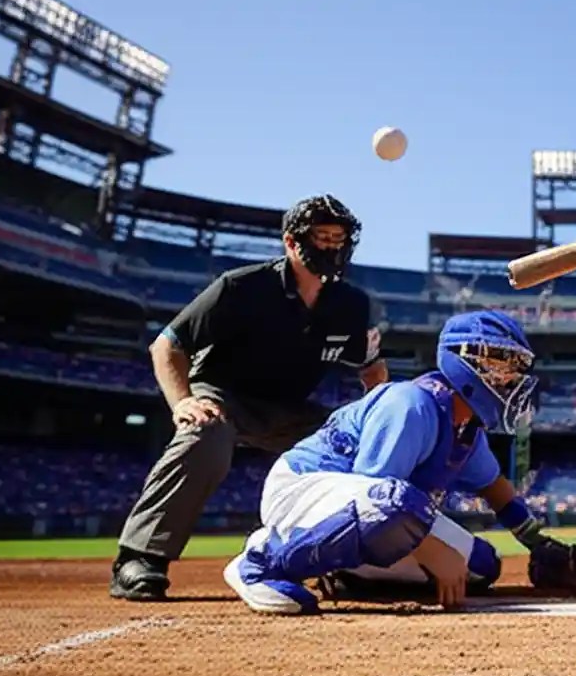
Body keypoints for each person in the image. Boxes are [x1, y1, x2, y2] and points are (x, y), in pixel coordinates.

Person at [223, 310, 576, 615]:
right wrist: (432, 551)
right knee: (400, 509)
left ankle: (349, 575)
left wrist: (538, 544)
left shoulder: (466, 428)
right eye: (501, 366)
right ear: (466, 363)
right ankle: (261, 560)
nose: (510, 379)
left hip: (375, 507)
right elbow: (375, 496)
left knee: (482, 566)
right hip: (305, 488)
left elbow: (496, 489)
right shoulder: (411, 405)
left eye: (514, 369)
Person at [110, 194, 389, 602]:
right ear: (292, 243)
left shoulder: (351, 304)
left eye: (338, 238)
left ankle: (345, 562)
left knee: (350, 451)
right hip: (223, 395)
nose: (332, 246)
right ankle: (140, 558)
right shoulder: (240, 287)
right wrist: (182, 402)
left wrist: (375, 416)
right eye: (322, 237)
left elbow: (371, 368)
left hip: (291, 410)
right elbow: (167, 345)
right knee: (205, 434)